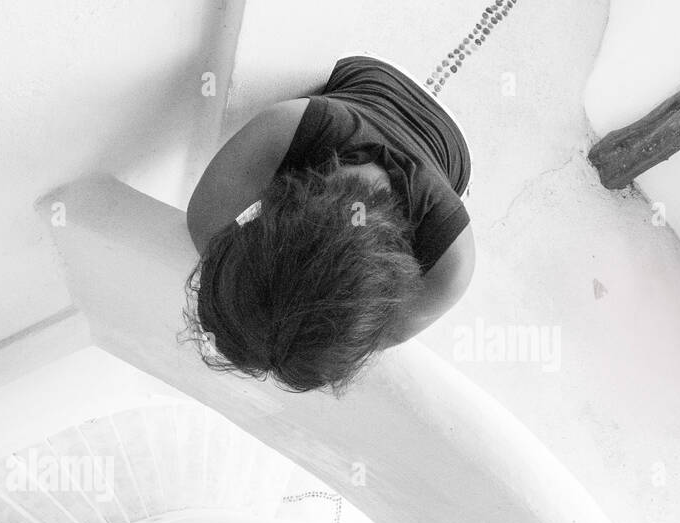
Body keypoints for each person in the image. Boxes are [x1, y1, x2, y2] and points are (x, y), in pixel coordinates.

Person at [185, 53, 476, 394]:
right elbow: (208, 231)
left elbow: (371, 332)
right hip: (374, 79)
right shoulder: (284, 127)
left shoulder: (451, 261)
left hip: (440, 139)